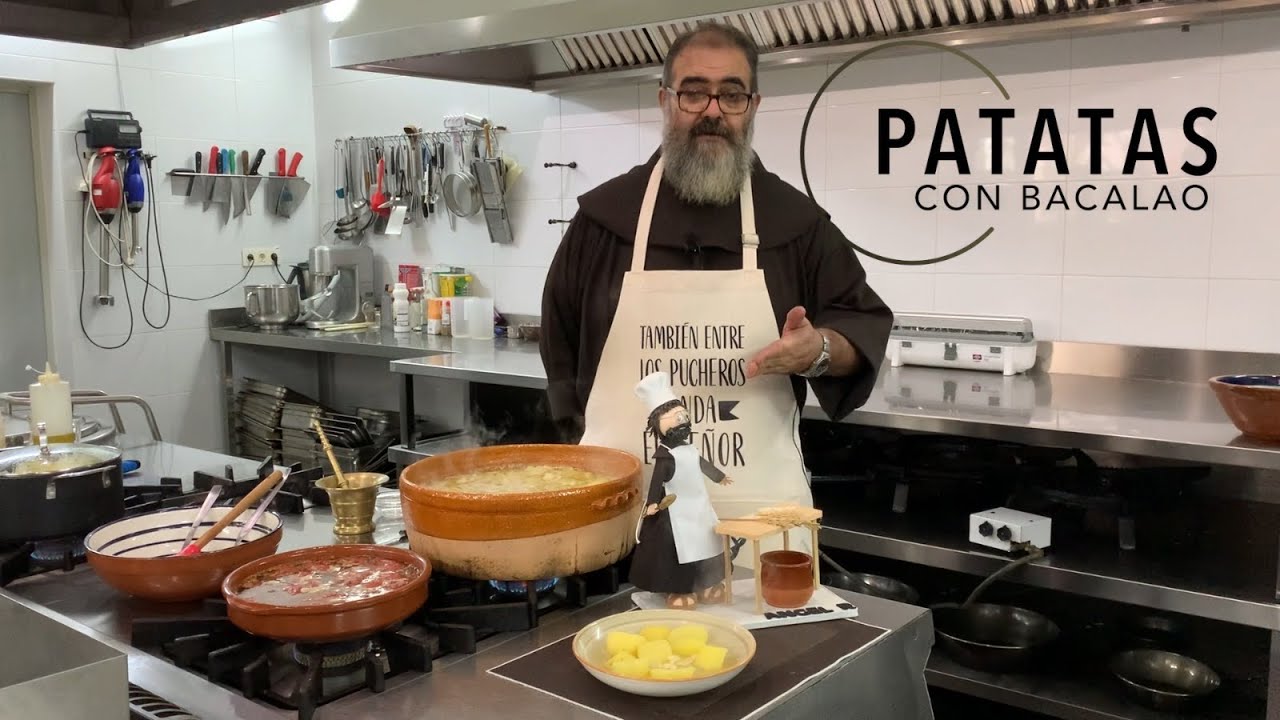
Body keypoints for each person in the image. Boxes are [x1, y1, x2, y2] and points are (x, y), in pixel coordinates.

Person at [539, 20, 893, 558]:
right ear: (665, 100)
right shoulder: (603, 220)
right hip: (623, 513)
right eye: (694, 92)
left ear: (751, 106)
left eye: (730, 94)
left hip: (758, 518)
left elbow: (857, 328)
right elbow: (560, 353)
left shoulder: (796, 223)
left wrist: (819, 350)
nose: (711, 110)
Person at [631, 371, 733, 609]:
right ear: (658, 425)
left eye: (683, 416)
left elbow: (702, 464)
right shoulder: (664, 457)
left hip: (699, 507)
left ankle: (708, 583)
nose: (682, 421)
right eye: (675, 418)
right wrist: (653, 504)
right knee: (677, 553)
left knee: (709, 542)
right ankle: (680, 589)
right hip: (675, 513)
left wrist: (719, 477)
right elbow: (657, 482)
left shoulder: (690, 450)